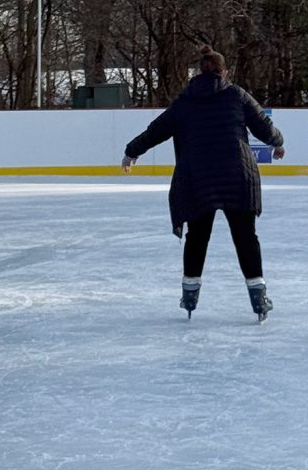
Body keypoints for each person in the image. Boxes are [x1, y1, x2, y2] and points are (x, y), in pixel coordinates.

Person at [120, 45, 285, 320]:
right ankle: (258, 297)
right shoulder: (236, 95)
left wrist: (131, 152)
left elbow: (156, 130)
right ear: (224, 72)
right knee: (245, 237)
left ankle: (189, 295)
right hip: (237, 176)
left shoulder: (185, 101)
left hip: (197, 178)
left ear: (198, 72)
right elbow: (263, 126)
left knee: (197, 237)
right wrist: (277, 143)